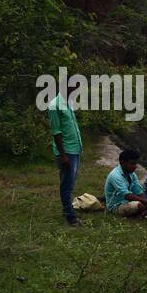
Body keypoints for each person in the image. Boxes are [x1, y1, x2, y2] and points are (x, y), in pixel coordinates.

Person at [48, 92, 83, 226]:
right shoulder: (54, 106)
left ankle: (68, 210)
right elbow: (56, 132)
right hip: (67, 151)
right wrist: (63, 155)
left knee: (71, 182)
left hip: (74, 149)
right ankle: (70, 217)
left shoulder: (69, 103)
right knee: (66, 185)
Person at [104, 149, 147, 218]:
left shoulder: (132, 174)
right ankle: (143, 212)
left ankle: (143, 213)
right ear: (123, 162)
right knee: (141, 205)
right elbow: (127, 195)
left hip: (129, 202)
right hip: (116, 206)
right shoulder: (115, 175)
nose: (135, 166)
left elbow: (138, 191)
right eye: (132, 163)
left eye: (136, 163)